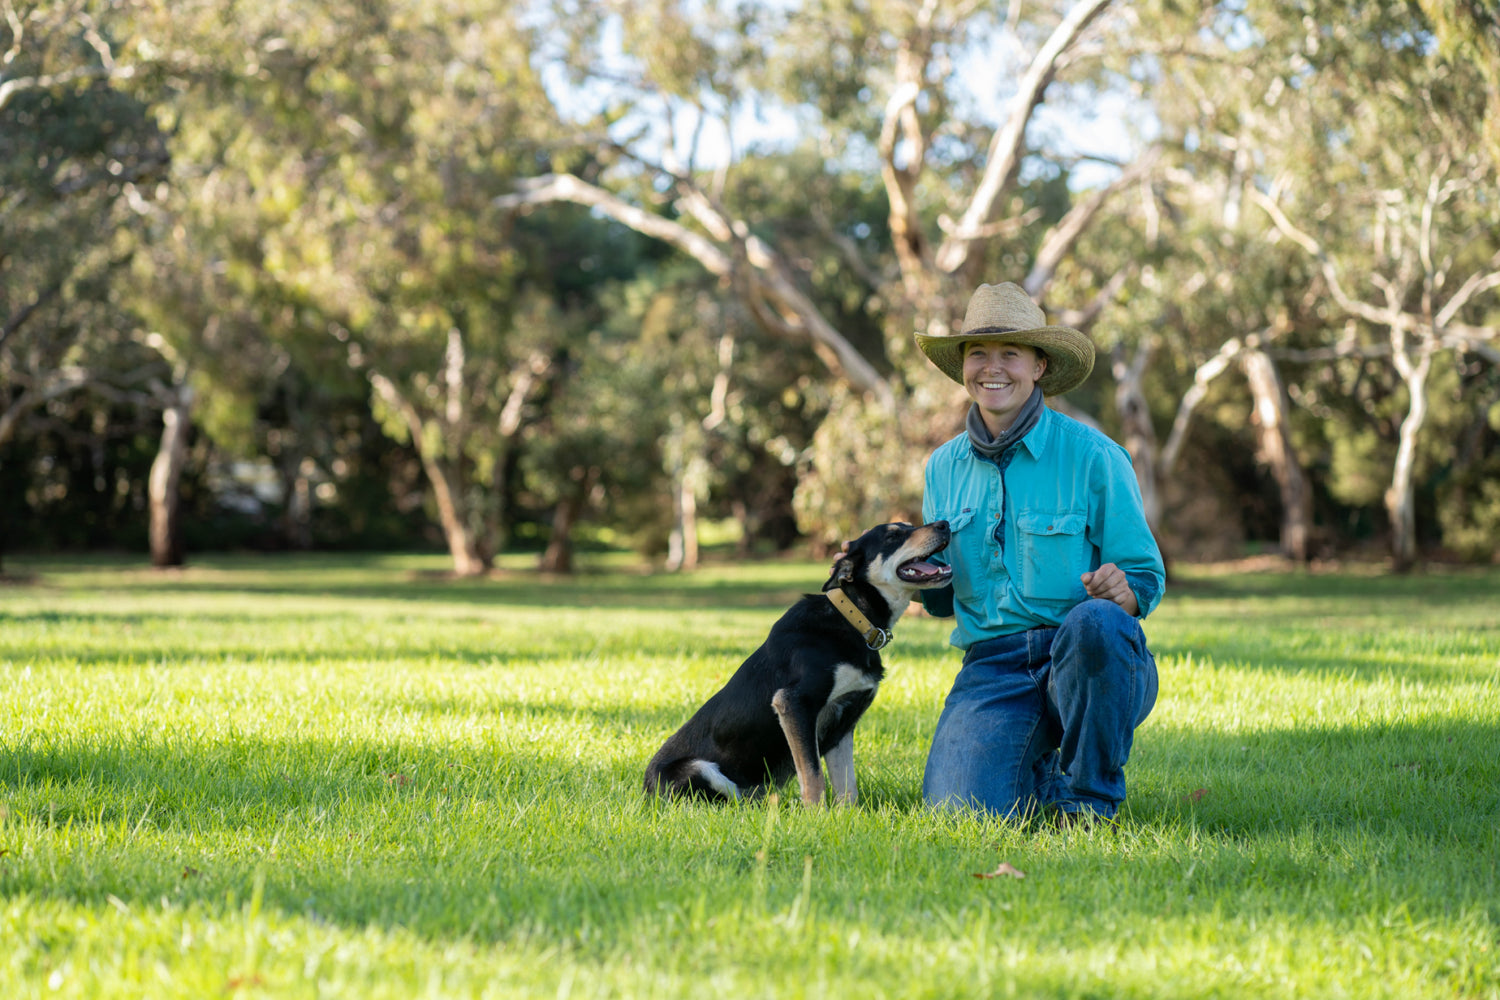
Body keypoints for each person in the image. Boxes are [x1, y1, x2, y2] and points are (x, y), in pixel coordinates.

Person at [911, 281, 1165, 826]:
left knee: (1096, 622)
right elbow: (940, 603)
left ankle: (1089, 801)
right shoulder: (941, 468)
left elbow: (1144, 574)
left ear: (1039, 365)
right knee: (958, 816)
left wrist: (1126, 592)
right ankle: (1041, 776)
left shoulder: (1096, 456)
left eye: (1011, 353)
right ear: (962, 366)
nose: (992, 368)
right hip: (993, 666)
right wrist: (910, 578)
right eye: (978, 353)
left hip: (1088, 659)